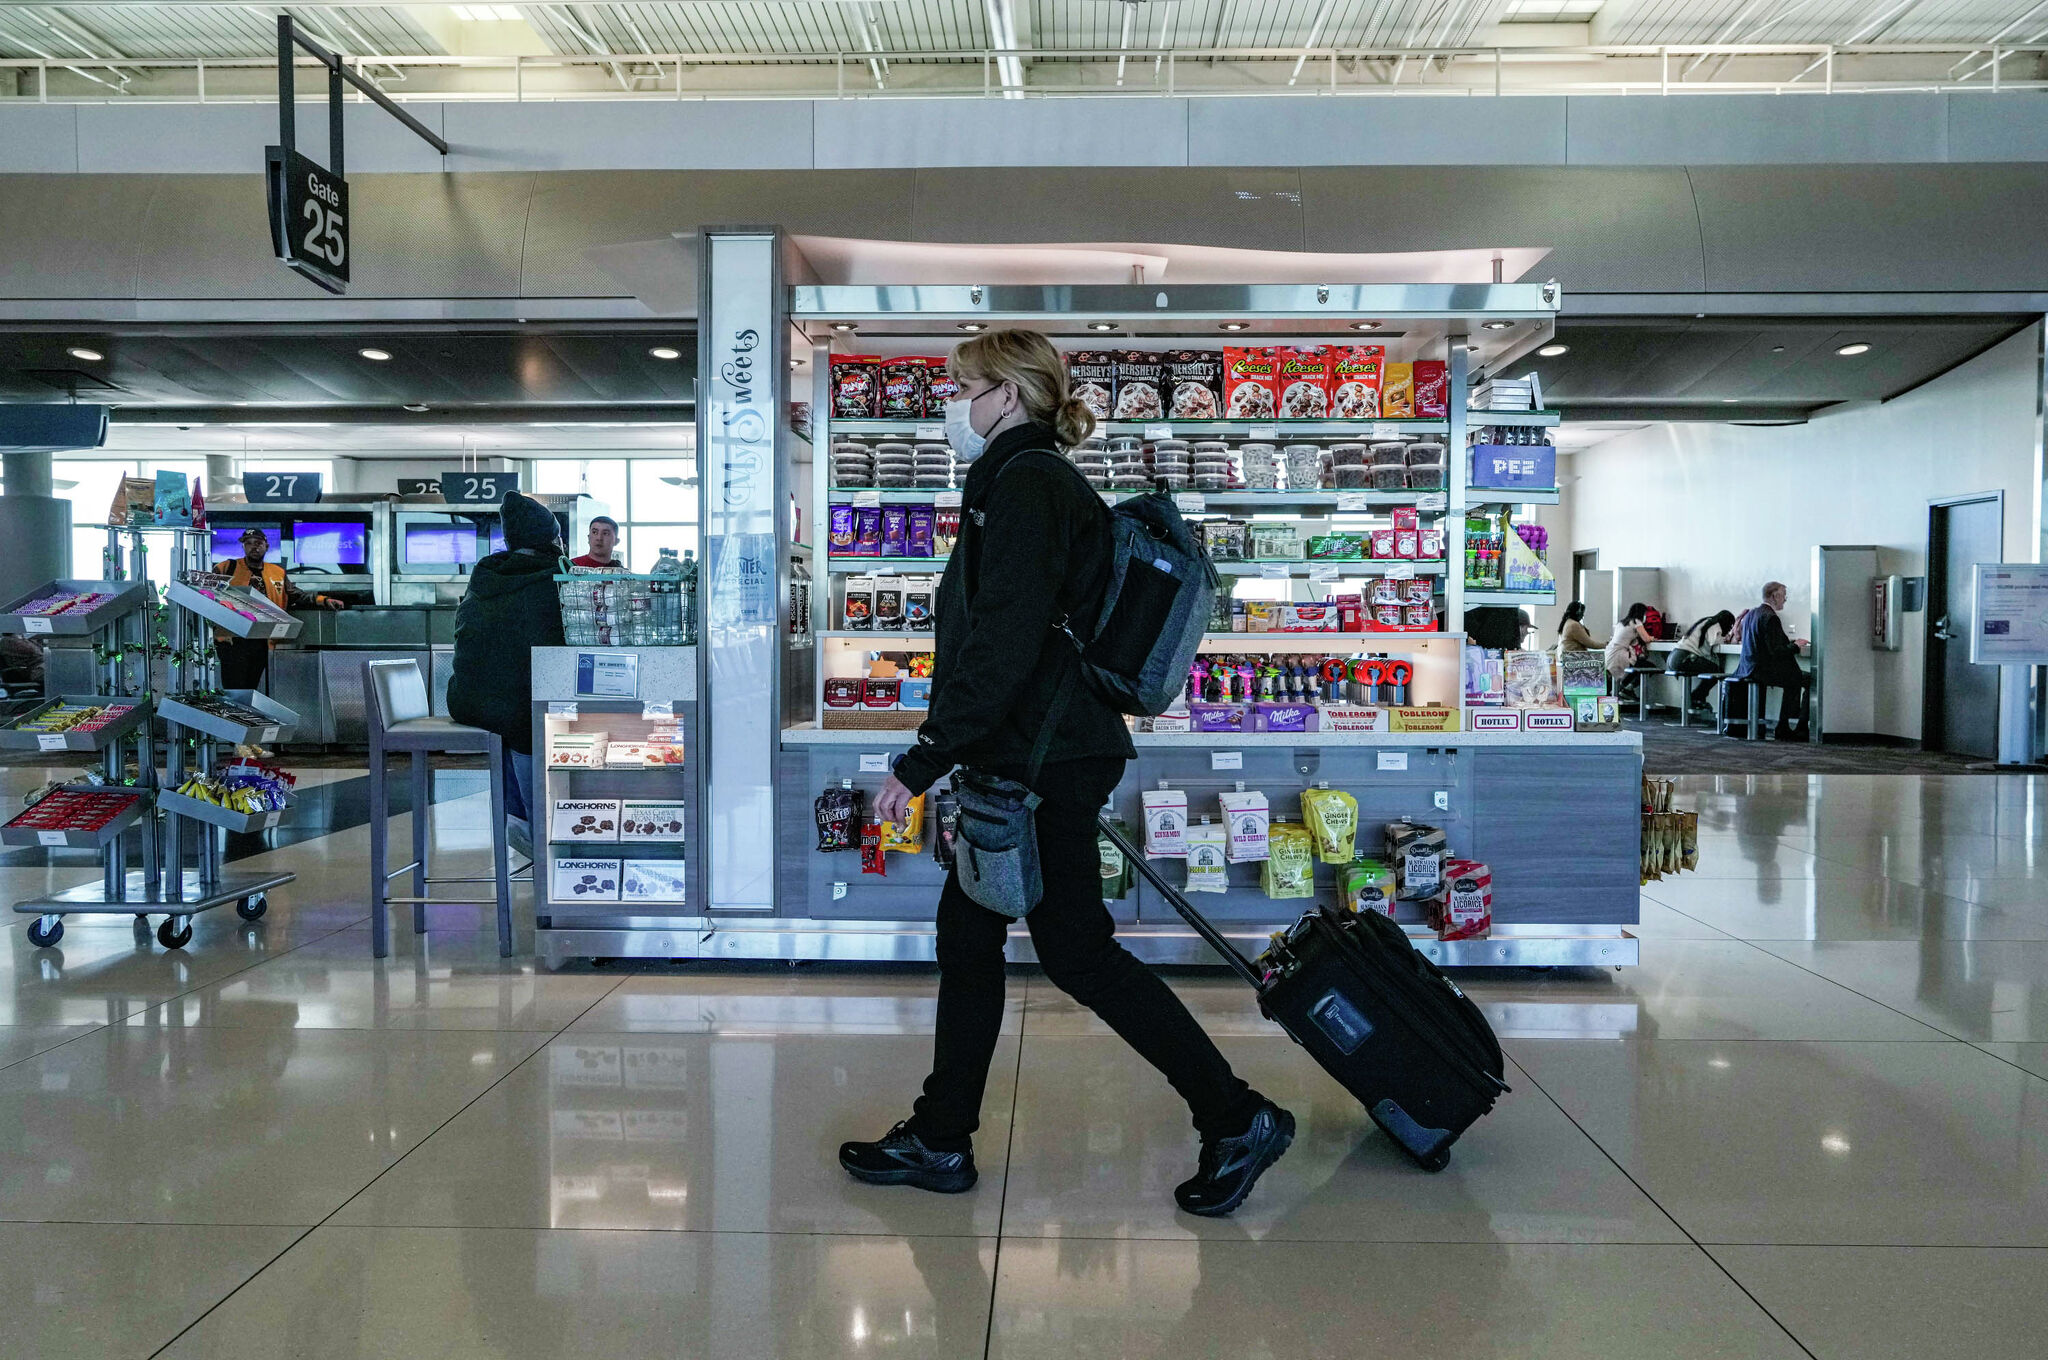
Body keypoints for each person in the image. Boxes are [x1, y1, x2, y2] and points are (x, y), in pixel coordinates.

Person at [840, 329, 1293, 1218]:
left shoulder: (1030, 485)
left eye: (959, 388)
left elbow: (1003, 641)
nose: (948, 406)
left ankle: (1236, 1116)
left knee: (1075, 952)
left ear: (1005, 395)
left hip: (1043, 760)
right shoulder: (1017, 479)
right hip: (1033, 753)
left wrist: (924, 759)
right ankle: (941, 1138)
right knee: (973, 943)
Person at [447, 491, 566, 858]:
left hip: (466, 698)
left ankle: (516, 818)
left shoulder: (485, 574)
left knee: (513, 710)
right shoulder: (553, 580)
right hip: (513, 707)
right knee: (534, 714)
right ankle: (536, 824)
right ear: (549, 540)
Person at [212, 526, 343, 691]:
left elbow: (296, 595)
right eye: (249, 543)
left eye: (258, 543)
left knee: (251, 689)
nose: (254, 546)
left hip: (263, 640)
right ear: (243, 547)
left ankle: (246, 716)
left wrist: (323, 600)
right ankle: (231, 717)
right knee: (234, 689)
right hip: (233, 640)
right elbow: (208, 593)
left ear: (266, 546)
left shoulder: (277, 573)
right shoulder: (226, 568)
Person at [1732, 581, 1811, 740]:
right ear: (1775, 596)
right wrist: (1795, 646)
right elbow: (1776, 652)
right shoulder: (1771, 617)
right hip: (1763, 671)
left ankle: (1785, 725)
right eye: (1784, 595)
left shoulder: (1752, 614)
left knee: (1794, 678)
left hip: (1749, 668)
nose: (1785, 599)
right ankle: (1792, 726)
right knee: (1806, 679)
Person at [1666, 610, 1738, 714]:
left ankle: (1697, 698)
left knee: (1714, 670)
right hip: (1684, 658)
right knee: (1717, 671)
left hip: (1674, 656)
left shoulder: (1705, 621)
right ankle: (1697, 697)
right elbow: (1715, 641)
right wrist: (1726, 638)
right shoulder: (1715, 625)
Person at [1604, 602, 1656, 701]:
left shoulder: (1621, 623)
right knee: (1649, 666)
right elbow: (1646, 639)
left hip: (1610, 653)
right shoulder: (1636, 622)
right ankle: (1627, 688)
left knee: (1638, 666)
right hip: (1621, 655)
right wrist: (1652, 638)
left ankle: (1624, 688)